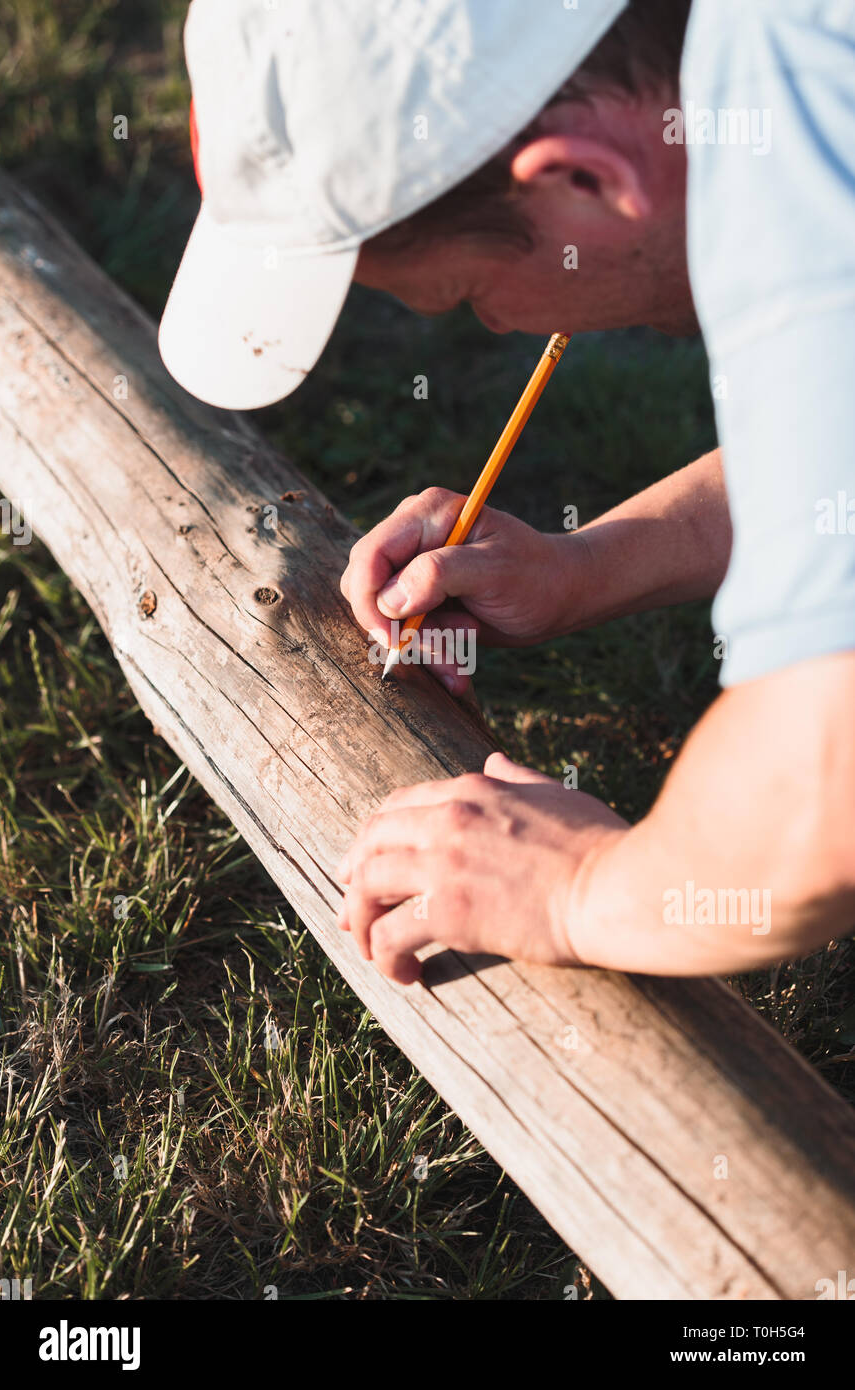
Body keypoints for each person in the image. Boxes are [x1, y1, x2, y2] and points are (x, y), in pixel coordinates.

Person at [159, 0, 855, 986]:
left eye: (472, 299)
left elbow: (822, 782)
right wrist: (584, 566)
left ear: (580, 179)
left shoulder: (800, 118)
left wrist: (579, 886)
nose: (496, 327)